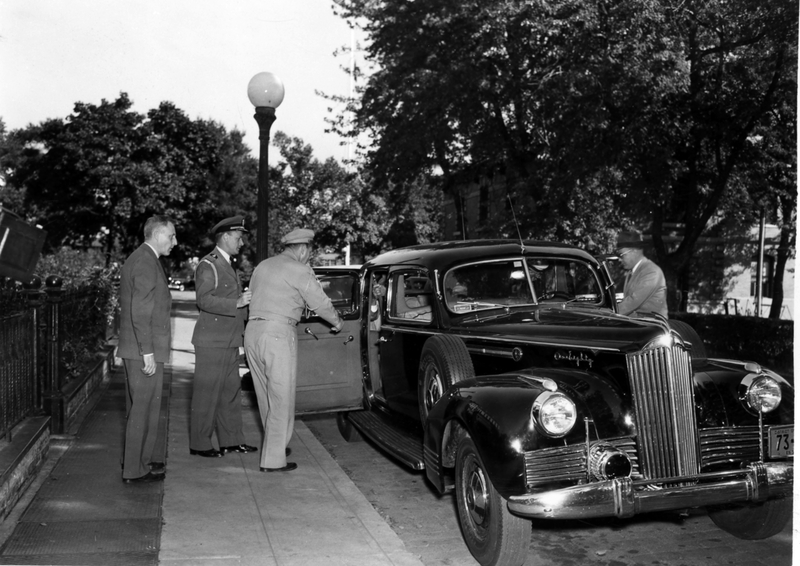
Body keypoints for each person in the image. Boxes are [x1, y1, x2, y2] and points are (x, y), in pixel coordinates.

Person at [244, 228, 344, 472]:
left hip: (252, 332)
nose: (309, 257)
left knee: (265, 396)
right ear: (302, 249)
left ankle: (274, 446)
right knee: (281, 397)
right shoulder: (300, 270)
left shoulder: (263, 266)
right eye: (309, 252)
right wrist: (338, 322)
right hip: (278, 334)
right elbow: (319, 302)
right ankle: (273, 461)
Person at [189, 215, 255, 458]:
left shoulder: (227, 264)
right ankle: (200, 444)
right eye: (238, 238)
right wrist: (236, 302)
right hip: (212, 342)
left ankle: (231, 440)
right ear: (225, 237)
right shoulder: (209, 265)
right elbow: (203, 299)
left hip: (228, 341)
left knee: (230, 393)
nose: (241, 243)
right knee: (206, 395)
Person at [118, 215, 177, 483]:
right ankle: (134, 469)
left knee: (143, 409)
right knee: (142, 410)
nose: (175, 242)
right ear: (157, 234)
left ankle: (139, 461)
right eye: (171, 236)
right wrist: (147, 352)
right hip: (144, 350)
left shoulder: (145, 258)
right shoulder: (144, 261)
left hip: (144, 348)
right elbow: (140, 311)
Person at [616, 230, 668, 319]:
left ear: (634, 251)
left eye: (622, 255)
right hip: (640, 325)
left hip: (652, 328)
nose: (620, 259)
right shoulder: (632, 272)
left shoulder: (652, 271)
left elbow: (633, 301)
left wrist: (609, 313)